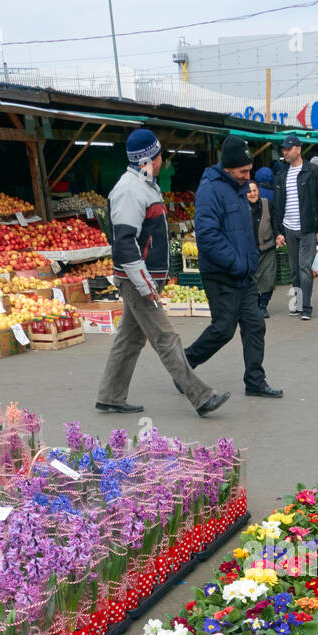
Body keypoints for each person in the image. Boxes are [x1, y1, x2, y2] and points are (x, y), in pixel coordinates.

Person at [95, 128, 226, 418]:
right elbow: (125, 243)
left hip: (141, 277)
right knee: (166, 338)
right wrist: (145, 285)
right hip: (136, 279)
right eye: (158, 156)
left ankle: (110, 396)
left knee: (129, 339)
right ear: (147, 159)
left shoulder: (144, 185)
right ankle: (201, 397)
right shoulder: (129, 190)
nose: (162, 160)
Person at [184, 135, 282, 399]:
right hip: (220, 274)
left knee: (255, 325)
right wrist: (237, 262)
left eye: (249, 170)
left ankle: (255, 382)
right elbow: (207, 236)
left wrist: (249, 260)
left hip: (243, 274)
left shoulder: (238, 187)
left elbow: (244, 230)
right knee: (223, 329)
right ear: (227, 168)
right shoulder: (210, 190)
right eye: (242, 171)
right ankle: (182, 365)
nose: (247, 175)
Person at [271, 132, 318, 320]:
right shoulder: (281, 174)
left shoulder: (313, 171)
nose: (285, 152)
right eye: (284, 149)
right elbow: (278, 204)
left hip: (308, 228)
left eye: (289, 148)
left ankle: (306, 307)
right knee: (294, 270)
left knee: (305, 267)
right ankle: (297, 302)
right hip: (289, 227)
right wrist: (278, 231)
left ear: (299, 149)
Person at [247, 177, 277, 319]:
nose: (252, 194)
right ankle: (254, 304)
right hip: (249, 250)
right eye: (249, 191)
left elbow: (275, 222)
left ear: (258, 191)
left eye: (254, 190)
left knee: (268, 278)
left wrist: (278, 235)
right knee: (252, 279)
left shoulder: (267, 204)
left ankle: (263, 305)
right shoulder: (241, 207)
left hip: (267, 246)